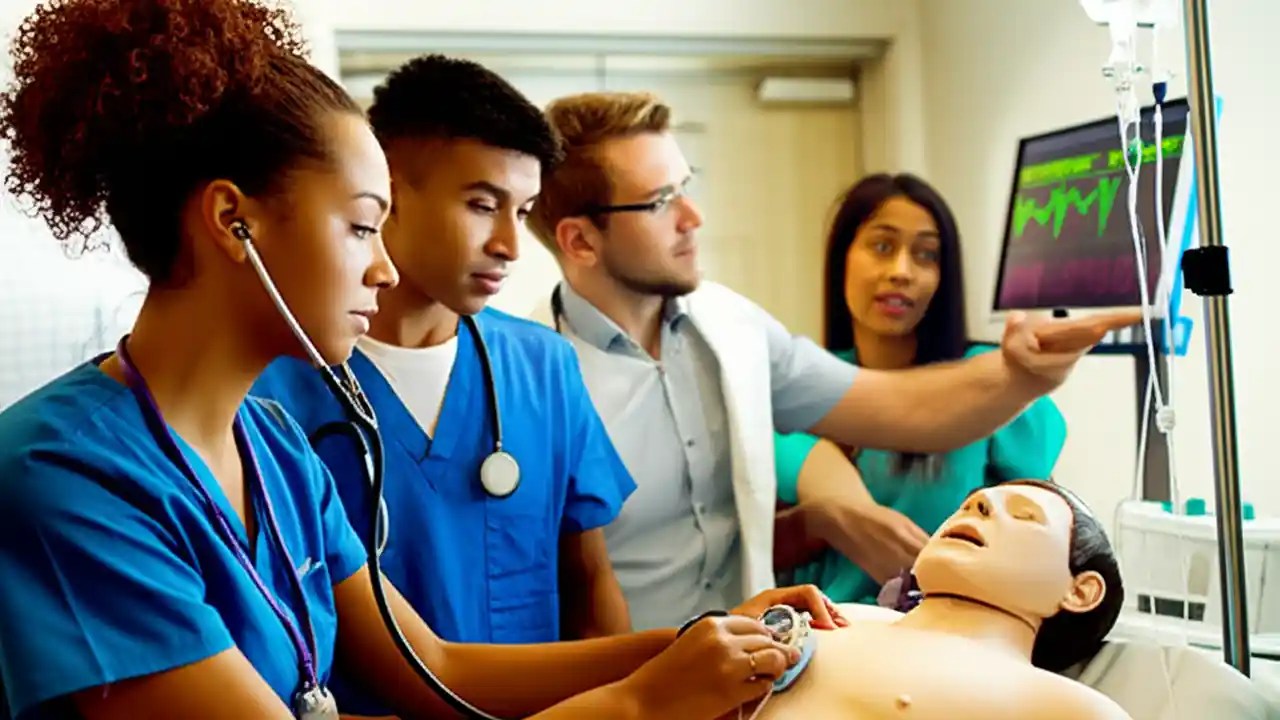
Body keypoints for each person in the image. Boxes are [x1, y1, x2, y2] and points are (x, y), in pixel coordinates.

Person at [0, 3, 843, 719]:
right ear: (233, 221)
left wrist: (702, 638)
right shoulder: (63, 478)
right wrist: (639, 703)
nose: (386, 268)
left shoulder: (276, 449)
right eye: (364, 225)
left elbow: (437, 666)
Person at [526, 91, 1138, 630]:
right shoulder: (529, 381)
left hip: (752, 680)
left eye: (688, 187)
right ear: (581, 240)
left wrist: (1022, 373)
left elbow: (897, 407)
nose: (695, 217)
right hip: (626, 688)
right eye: (661, 201)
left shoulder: (731, 326)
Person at [252, 55, 634, 715]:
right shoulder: (271, 389)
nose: (512, 244)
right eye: (483, 205)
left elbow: (590, 584)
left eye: (526, 210)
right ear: (388, 191)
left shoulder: (544, 368)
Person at [772, 173, 1067, 605]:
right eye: (882, 246)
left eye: (926, 255)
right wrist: (822, 520)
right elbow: (750, 548)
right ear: (842, 259)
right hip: (815, 640)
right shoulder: (797, 387)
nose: (901, 272)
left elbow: (1044, 540)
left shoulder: (990, 385)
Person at [746, 480, 1131, 720]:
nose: (978, 506)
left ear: (1080, 591)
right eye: (969, 504)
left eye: (1025, 515)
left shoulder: (1067, 708)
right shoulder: (832, 614)